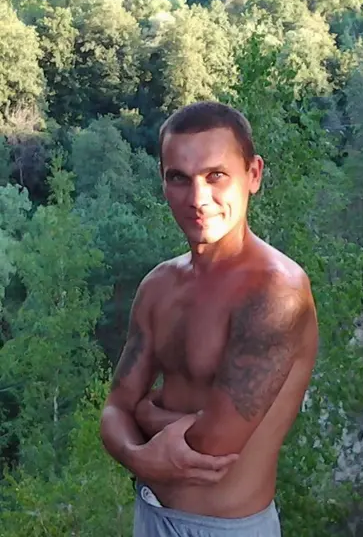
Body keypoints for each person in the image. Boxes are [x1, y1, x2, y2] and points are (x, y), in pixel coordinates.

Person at [100, 101, 319, 537]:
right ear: (163, 181)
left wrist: (145, 414)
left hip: (228, 528)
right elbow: (113, 411)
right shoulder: (159, 286)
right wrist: (139, 456)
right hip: (149, 515)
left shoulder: (276, 292)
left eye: (216, 175)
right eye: (179, 178)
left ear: (253, 174)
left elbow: (214, 445)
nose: (198, 199)